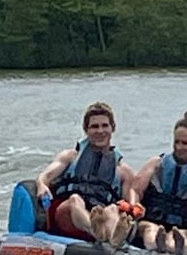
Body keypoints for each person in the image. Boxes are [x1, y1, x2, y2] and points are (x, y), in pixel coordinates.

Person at [35, 102, 136, 244]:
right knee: (76, 199)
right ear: (85, 130)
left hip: (101, 212)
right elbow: (45, 177)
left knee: (112, 209)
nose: (100, 131)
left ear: (112, 128)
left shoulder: (124, 171)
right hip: (68, 215)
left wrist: (133, 208)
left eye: (105, 126)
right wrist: (41, 184)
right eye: (94, 126)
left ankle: (113, 238)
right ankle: (95, 230)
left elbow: (130, 204)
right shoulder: (70, 156)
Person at [129, 108, 187, 255]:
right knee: (151, 230)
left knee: (181, 235)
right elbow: (135, 189)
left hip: (184, 226)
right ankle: (157, 244)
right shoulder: (157, 163)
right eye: (176, 142)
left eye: (185, 143)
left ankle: (174, 247)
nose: (179, 147)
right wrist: (135, 205)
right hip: (151, 220)